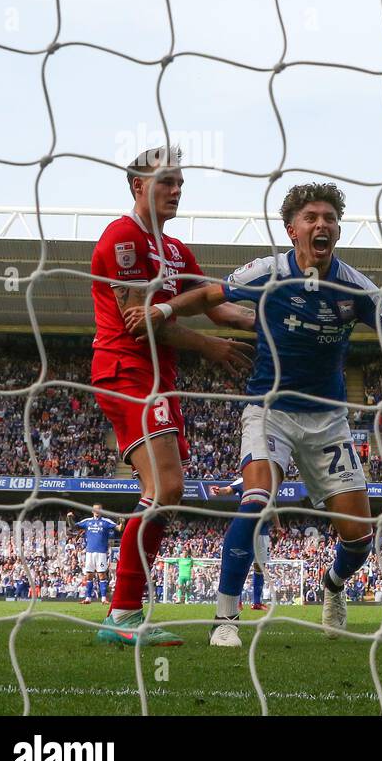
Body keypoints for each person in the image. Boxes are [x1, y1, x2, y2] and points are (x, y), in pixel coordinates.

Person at [128, 181, 382, 645]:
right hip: (269, 409)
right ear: (292, 230)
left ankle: (333, 586)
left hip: (327, 420)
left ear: (337, 231)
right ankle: (225, 620)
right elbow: (207, 296)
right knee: (255, 502)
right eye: (312, 218)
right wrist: (162, 310)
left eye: (330, 219)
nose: (322, 225)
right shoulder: (267, 271)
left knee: (359, 538)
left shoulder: (356, 287)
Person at [89, 144, 254, 646]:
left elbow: (219, 309)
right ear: (138, 186)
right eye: (166, 182)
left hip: (161, 381)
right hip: (125, 368)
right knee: (165, 489)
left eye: (181, 182)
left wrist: (279, 321)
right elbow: (139, 328)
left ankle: (124, 612)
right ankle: (122, 615)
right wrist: (209, 347)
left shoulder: (179, 251)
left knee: (167, 492)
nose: (176, 190)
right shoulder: (123, 239)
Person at [210, 478, 278, 609]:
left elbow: (273, 507)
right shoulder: (242, 481)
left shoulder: (268, 483)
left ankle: (256, 603)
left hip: (262, 531)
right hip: (245, 528)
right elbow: (229, 490)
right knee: (240, 564)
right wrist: (219, 491)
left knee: (260, 567)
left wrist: (278, 526)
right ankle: (237, 601)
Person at [65, 504, 116, 604]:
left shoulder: (106, 522)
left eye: (99, 509)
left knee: (102, 575)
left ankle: (104, 599)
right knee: (89, 575)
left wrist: (122, 522)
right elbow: (73, 526)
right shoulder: (87, 521)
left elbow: (119, 528)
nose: (97, 511)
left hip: (101, 552)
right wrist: (69, 518)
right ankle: (88, 598)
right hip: (89, 552)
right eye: (95, 509)